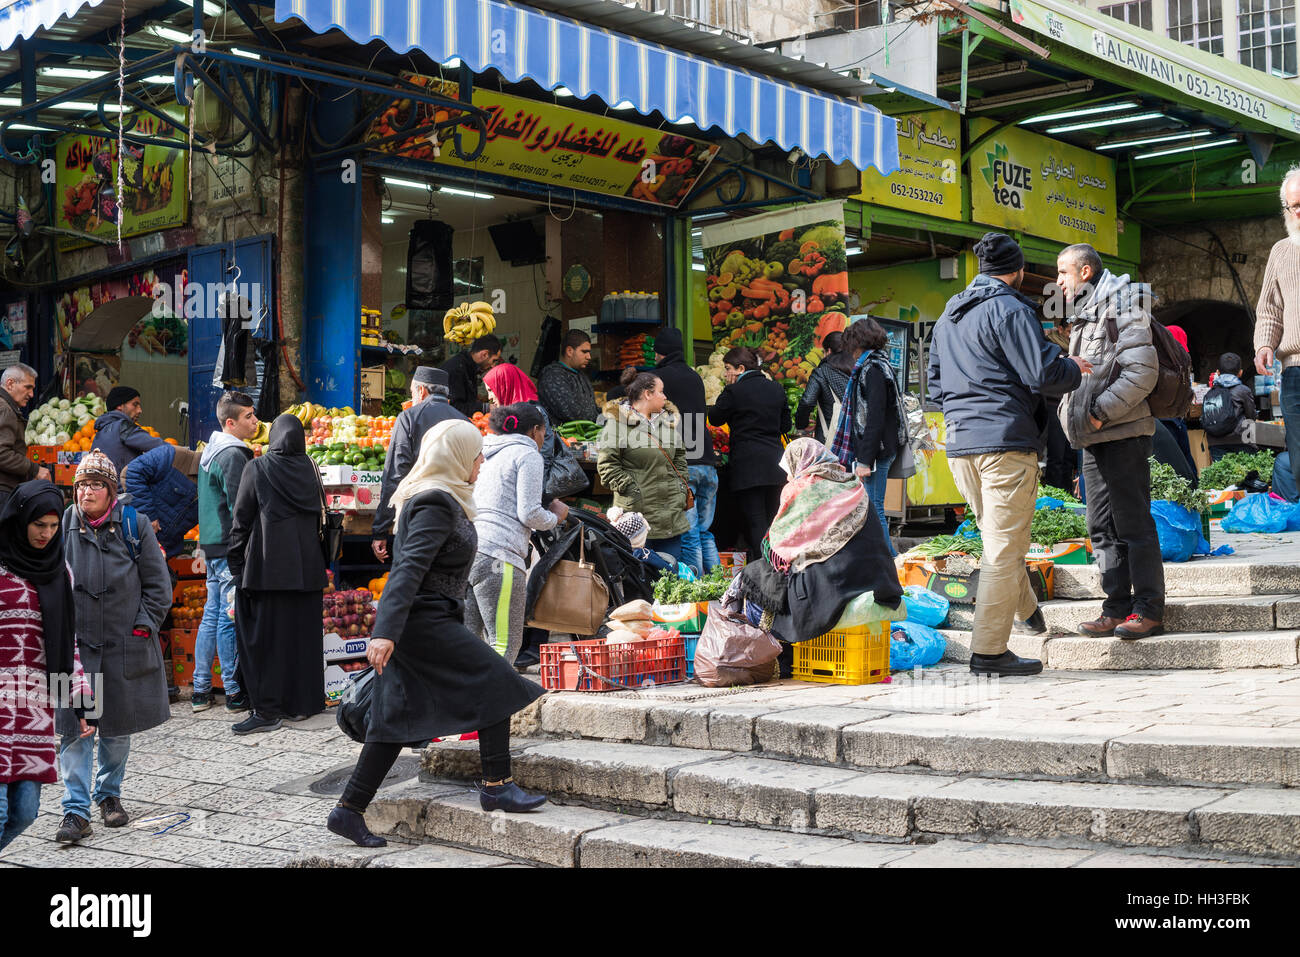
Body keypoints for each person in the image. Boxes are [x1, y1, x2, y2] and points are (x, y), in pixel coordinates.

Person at [326, 420, 548, 848]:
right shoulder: (435, 502)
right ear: (456, 457)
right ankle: (496, 784)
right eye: (477, 455)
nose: (482, 463)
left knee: (392, 719)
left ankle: (347, 810)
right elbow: (406, 570)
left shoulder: (438, 497)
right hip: (422, 623)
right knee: (497, 679)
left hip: (427, 619)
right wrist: (385, 632)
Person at [929, 233, 1087, 676]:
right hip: (1004, 442)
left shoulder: (949, 315)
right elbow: (1043, 374)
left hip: (960, 445)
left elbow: (934, 389)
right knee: (1003, 549)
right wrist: (1075, 368)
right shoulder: (1011, 309)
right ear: (1017, 271)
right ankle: (989, 652)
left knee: (998, 539)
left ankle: (1027, 609)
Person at [54, 453, 171, 844]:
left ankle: (109, 795)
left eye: (96, 485)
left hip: (123, 646)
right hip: (71, 651)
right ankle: (74, 810)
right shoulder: (61, 524)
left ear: (111, 492)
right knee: (74, 730)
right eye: (82, 485)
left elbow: (159, 588)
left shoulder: (134, 526)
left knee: (118, 730)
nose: (87, 492)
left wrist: (143, 628)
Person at [1057, 241, 1166, 641]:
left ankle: (1148, 609)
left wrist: (1099, 413)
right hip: (1093, 435)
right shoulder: (1086, 312)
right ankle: (1114, 606)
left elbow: (1142, 373)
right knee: (1100, 525)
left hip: (1122, 432)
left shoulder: (1125, 305)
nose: (1058, 282)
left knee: (1132, 523)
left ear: (1085, 272)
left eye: (1062, 273)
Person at [736, 438, 903, 676]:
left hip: (835, 586)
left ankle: (777, 658)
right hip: (879, 581)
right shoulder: (853, 485)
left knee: (754, 576)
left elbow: (779, 547)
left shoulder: (802, 487)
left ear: (800, 464)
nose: (787, 478)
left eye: (788, 470)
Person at [0, 480, 91, 853]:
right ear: (21, 520)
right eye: (39, 525)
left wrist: (88, 703)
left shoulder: (60, 572)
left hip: (34, 711)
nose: (46, 534)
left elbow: (69, 644)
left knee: (24, 812)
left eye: (54, 526)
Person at [226, 414, 328, 734]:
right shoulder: (311, 469)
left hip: (267, 570)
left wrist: (236, 567)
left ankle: (268, 710)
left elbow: (241, 521)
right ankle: (304, 704)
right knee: (303, 640)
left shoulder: (257, 468)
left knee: (267, 642)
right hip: (308, 571)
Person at [466, 404, 567, 664]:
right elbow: (530, 513)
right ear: (535, 431)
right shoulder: (527, 454)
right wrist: (556, 517)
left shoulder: (487, 451)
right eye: (544, 432)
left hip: (470, 549)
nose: (544, 439)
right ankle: (493, 703)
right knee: (505, 642)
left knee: (469, 641)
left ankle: (461, 703)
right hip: (500, 556)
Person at [193, 391, 258, 713]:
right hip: (228, 545)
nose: (255, 421)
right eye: (248, 416)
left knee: (212, 614)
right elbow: (240, 505)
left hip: (212, 543)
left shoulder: (211, 449)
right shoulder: (232, 454)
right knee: (228, 619)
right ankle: (233, 692)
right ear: (230, 422)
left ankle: (201, 689)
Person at [372, 367, 468, 561]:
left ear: (421, 391)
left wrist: (380, 529)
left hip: (418, 516)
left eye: (412, 391)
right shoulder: (464, 421)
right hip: (456, 519)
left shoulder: (409, 417)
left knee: (414, 577)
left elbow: (395, 475)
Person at [708, 347, 792, 560]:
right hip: (776, 465)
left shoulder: (734, 391)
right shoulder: (776, 388)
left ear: (741, 368)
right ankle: (780, 566)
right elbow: (785, 425)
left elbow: (716, 418)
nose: (726, 374)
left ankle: (766, 567)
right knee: (774, 519)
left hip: (747, 467)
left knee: (756, 521)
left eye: (728, 369)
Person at [832, 318, 907, 557]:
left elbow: (875, 417)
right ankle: (883, 563)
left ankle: (891, 565)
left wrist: (864, 459)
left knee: (875, 510)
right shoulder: (878, 364)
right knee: (872, 509)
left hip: (876, 450)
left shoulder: (872, 369)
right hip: (879, 448)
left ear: (857, 343)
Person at [599, 369, 690, 563]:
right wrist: (634, 490)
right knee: (637, 579)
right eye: (661, 391)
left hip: (670, 518)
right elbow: (607, 467)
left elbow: (680, 457)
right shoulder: (616, 425)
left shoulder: (667, 423)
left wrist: (681, 488)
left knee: (670, 578)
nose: (665, 397)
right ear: (647, 394)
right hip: (637, 520)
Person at [652, 326, 718, 575]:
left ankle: (698, 591)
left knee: (688, 535)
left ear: (660, 354)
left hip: (683, 466)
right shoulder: (694, 377)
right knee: (704, 531)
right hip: (707, 463)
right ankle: (718, 586)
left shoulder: (658, 379)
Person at [1255, 165, 1300, 495]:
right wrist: (1263, 345)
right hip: (1295, 372)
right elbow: (1270, 308)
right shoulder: (1281, 252)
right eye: (1294, 206)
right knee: (1298, 453)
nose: (1299, 212)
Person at [121, 443, 200, 558]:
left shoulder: (215, 486)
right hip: (132, 542)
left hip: (163, 553)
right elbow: (131, 473)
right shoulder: (174, 456)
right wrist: (149, 515)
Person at [0, 364, 49, 510]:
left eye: (33, 388)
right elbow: (1, 453)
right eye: (27, 387)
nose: (32, 394)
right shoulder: (5, 410)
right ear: (10, 384)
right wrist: (34, 469)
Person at [91, 386, 166, 476]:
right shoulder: (123, 427)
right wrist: (181, 452)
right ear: (119, 406)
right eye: (135, 404)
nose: (140, 410)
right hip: (125, 488)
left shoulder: (100, 431)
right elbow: (158, 446)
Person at [795, 330, 855, 443]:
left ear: (829, 351)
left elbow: (807, 401)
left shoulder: (821, 372)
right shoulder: (857, 370)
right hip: (855, 439)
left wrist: (801, 423)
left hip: (829, 437)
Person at [1203, 353, 1259, 460]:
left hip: (1215, 442)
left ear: (1218, 372)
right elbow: (1251, 416)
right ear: (1240, 372)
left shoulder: (1209, 393)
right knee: (1248, 474)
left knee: (1222, 475)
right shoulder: (1243, 390)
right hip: (1241, 440)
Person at [537, 330, 600, 425]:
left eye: (589, 352)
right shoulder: (552, 375)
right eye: (584, 352)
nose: (589, 357)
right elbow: (571, 412)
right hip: (562, 438)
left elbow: (593, 408)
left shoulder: (581, 375)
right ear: (569, 351)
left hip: (587, 435)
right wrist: (599, 418)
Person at [440, 335, 502, 418]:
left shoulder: (467, 366)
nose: (493, 366)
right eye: (494, 361)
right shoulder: (457, 369)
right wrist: (486, 408)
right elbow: (453, 407)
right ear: (484, 354)